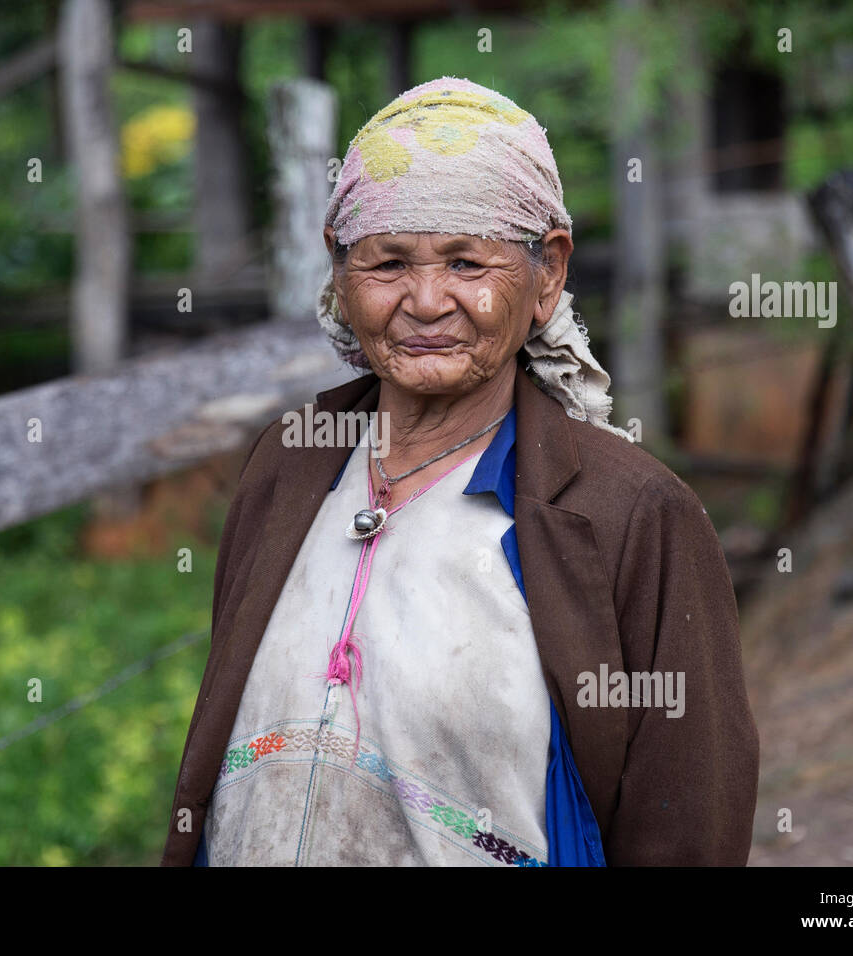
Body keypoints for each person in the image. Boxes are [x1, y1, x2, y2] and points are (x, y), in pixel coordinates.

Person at [161, 77, 759, 866]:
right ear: (340, 270)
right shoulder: (291, 461)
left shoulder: (632, 515)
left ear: (547, 272)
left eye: (468, 262)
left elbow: (688, 825)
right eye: (388, 263)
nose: (428, 300)